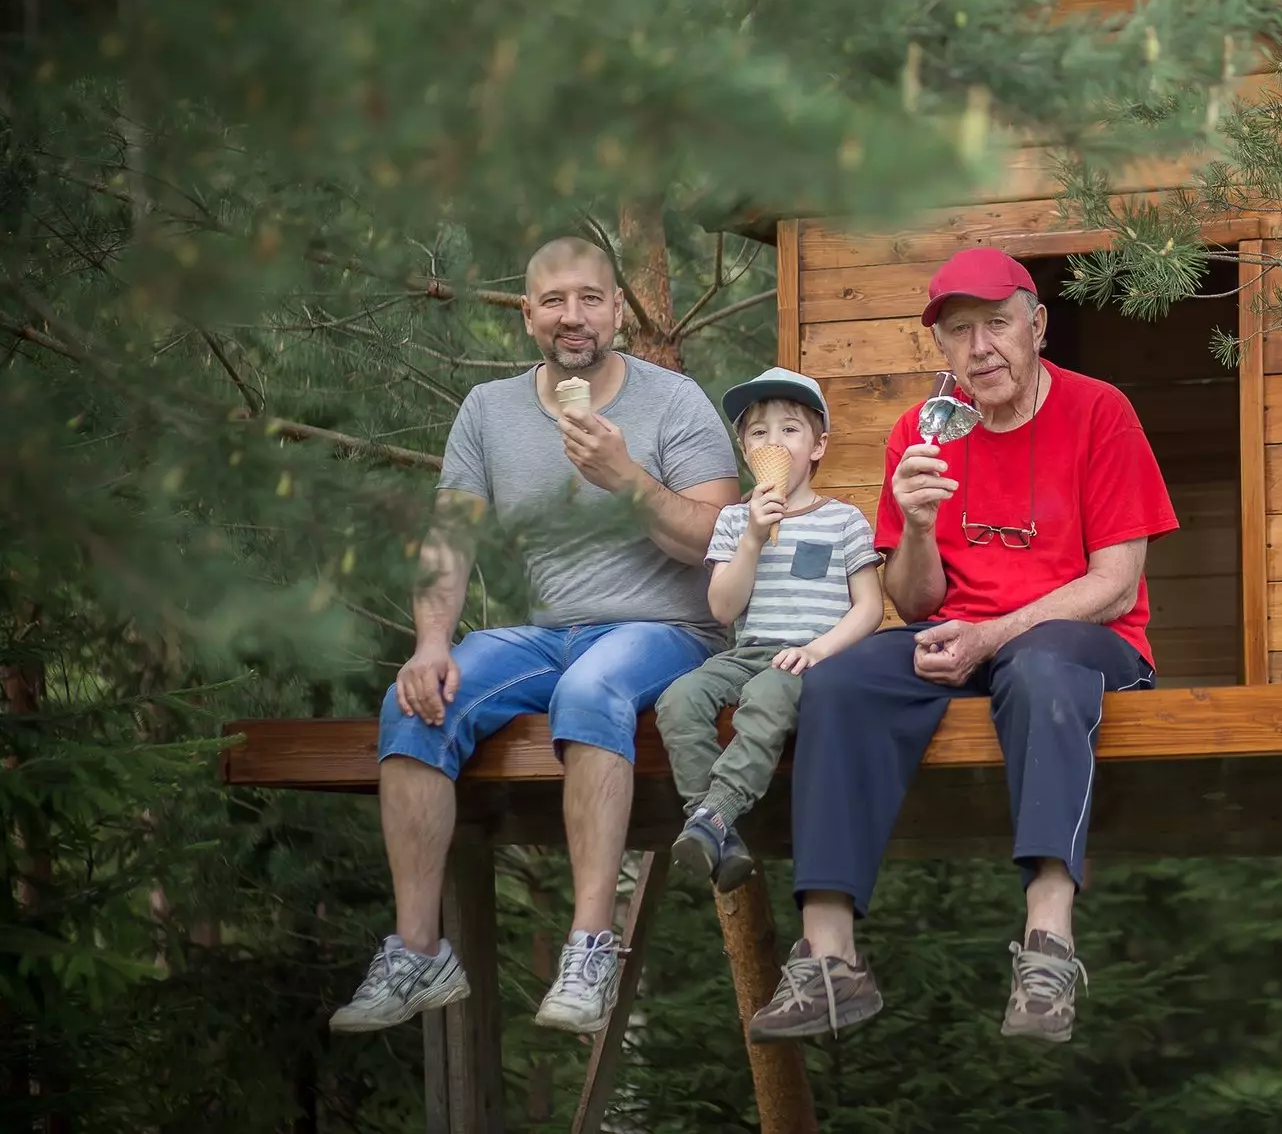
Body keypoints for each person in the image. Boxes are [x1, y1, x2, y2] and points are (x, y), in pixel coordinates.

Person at [746, 247, 1178, 1046]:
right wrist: (912, 524)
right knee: (837, 682)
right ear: (941, 349)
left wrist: (994, 634)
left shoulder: (1099, 411)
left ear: (1037, 326)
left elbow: (1116, 582)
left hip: (1086, 642)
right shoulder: (921, 432)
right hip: (956, 639)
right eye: (959, 333)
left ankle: (1048, 945)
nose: (980, 348)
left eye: (997, 325)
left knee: (1041, 663)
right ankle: (831, 958)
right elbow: (913, 602)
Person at [329, 236, 740, 1037]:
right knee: (414, 703)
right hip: (541, 635)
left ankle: (590, 947)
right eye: (554, 301)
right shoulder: (490, 411)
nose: (573, 317)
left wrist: (627, 482)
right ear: (527, 316)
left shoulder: (674, 402)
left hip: (666, 629)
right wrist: (430, 642)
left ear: (618, 308)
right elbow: (450, 539)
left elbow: (717, 542)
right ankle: (417, 952)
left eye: (591, 298)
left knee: (592, 692)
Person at [654, 368, 884, 891]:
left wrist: (819, 650)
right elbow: (722, 607)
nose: (773, 441)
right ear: (743, 448)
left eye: (790, 430)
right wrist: (754, 538)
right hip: (748, 650)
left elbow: (869, 608)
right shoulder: (736, 521)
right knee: (680, 698)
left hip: (812, 660)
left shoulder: (843, 520)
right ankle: (715, 825)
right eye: (758, 432)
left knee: (766, 695)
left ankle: (717, 812)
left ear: (818, 445)